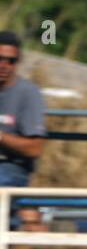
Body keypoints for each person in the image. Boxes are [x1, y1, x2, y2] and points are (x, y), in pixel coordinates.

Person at [0, 31, 47, 188]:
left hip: (11, 167)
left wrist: (2, 138)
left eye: (11, 61)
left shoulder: (28, 93)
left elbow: (35, 149)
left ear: (18, 61)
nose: (4, 65)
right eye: (0, 59)